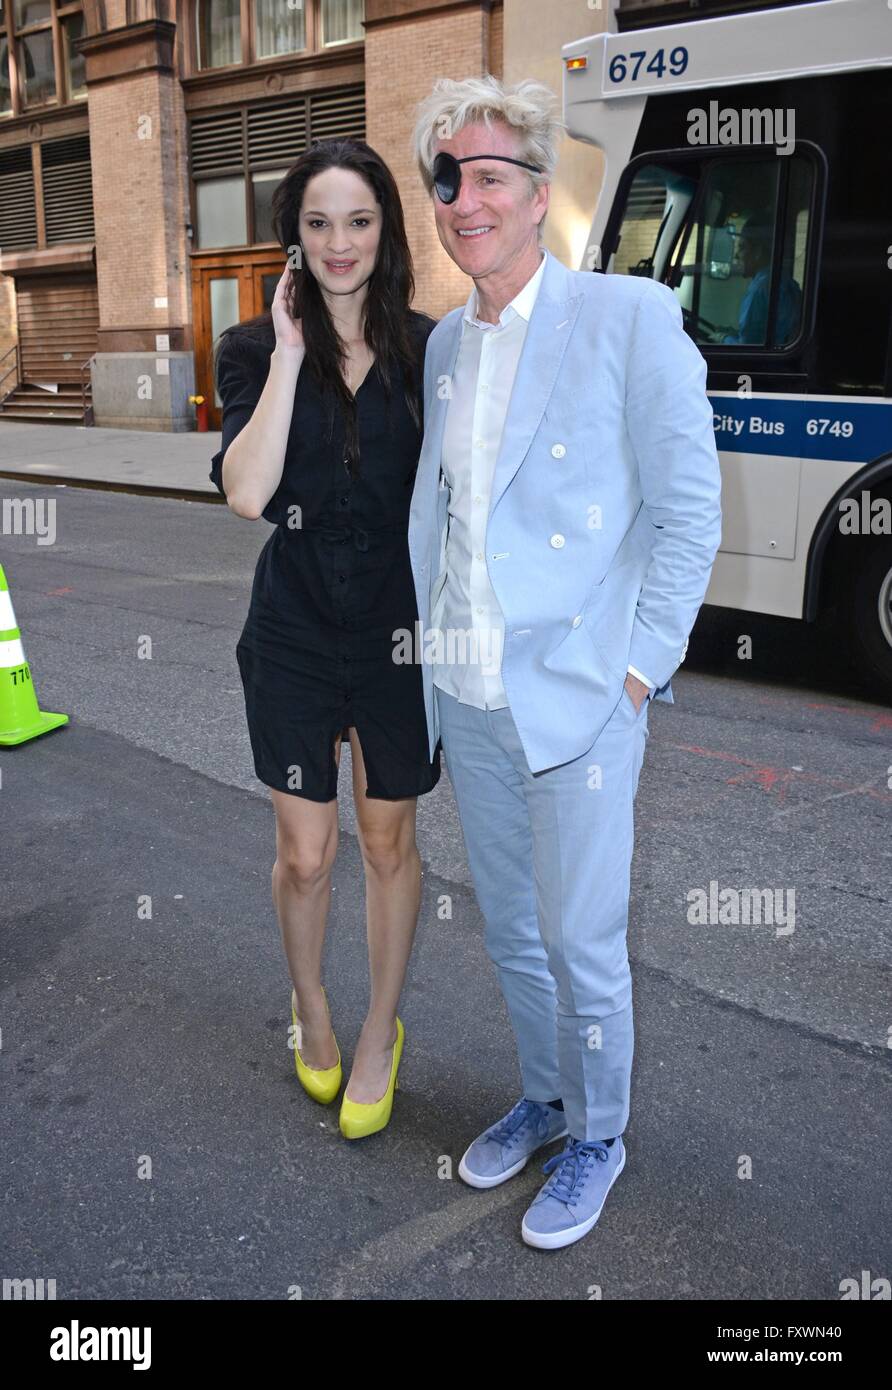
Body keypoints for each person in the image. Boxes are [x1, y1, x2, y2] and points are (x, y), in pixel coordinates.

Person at [409, 76, 722, 1248]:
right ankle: (545, 1095)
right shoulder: (447, 343)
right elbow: (439, 518)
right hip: (471, 692)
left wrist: (637, 672)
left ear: (540, 193)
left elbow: (690, 514)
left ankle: (599, 1128)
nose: (465, 199)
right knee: (509, 926)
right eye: (448, 180)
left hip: (585, 699)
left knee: (582, 937)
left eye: (490, 175)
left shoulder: (628, 318)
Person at [210, 139, 441, 1141]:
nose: (339, 241)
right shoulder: (251, 351)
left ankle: (381, 1032)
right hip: (295, 631)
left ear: (384, 229)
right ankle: (312, 1008)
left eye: (358, 220)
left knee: (389, 843)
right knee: (305, 856)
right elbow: (248, 491)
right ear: (293, 238)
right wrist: (294, 354)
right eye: (318, 222)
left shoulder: (430, 349)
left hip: (398, 636)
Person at [723, 212, 802, 345]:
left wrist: (723, 339)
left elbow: (747, 349)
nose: (736, 256)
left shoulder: (759, 289)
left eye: (742, 247)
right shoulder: (785, 281)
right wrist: (734, 334)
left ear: (758, 252)